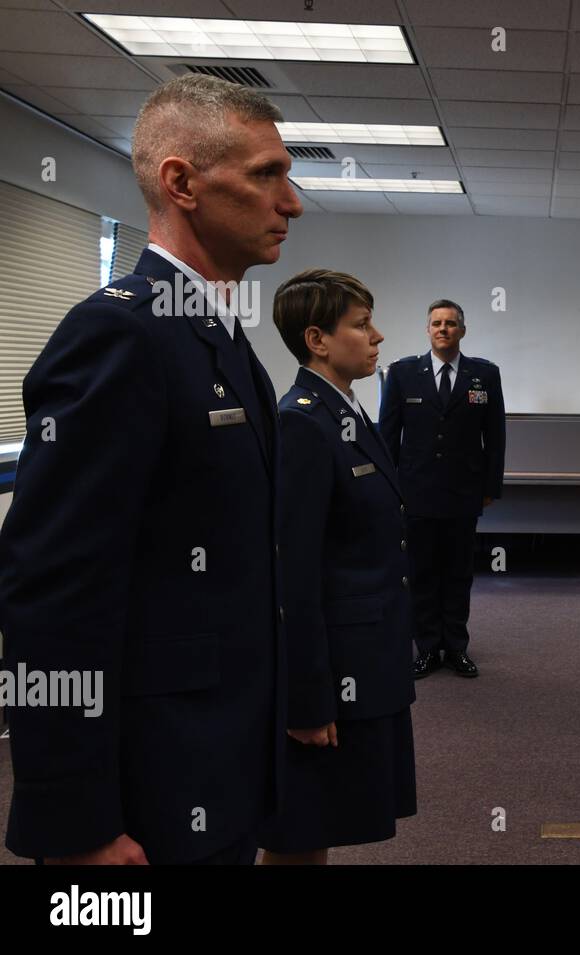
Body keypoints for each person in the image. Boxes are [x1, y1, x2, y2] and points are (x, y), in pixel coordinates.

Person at [0, 74, 302, 864]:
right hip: (146, 788)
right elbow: (54, 590)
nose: (292, 200)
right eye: (267, 174)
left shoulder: (219, 337)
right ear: (182, 182)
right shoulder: (120, 335)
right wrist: (74, 823)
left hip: (218, 762)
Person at [260, 270, 417, 864]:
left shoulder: (344, 409)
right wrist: (307, 697)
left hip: (367, 653)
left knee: (317, 824)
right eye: (361, 324)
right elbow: (293, 574)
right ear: (317, 339)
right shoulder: (302, 421)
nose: (378, 336)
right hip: (334, 669)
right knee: (299, 829)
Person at [380, 300, 506, 680]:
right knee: (420, 572)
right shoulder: (402, 374)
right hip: (415, 491)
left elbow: (495, 436)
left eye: (451, 323)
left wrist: (490, 487)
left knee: (458, 573)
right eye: (436, 323)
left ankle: (456, 647)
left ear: (462, 331)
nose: (443, 329)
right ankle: (426, 648)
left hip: (463, 493)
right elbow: (388, 436)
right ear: (428, 330)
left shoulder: (483, 375)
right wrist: (387, 486)